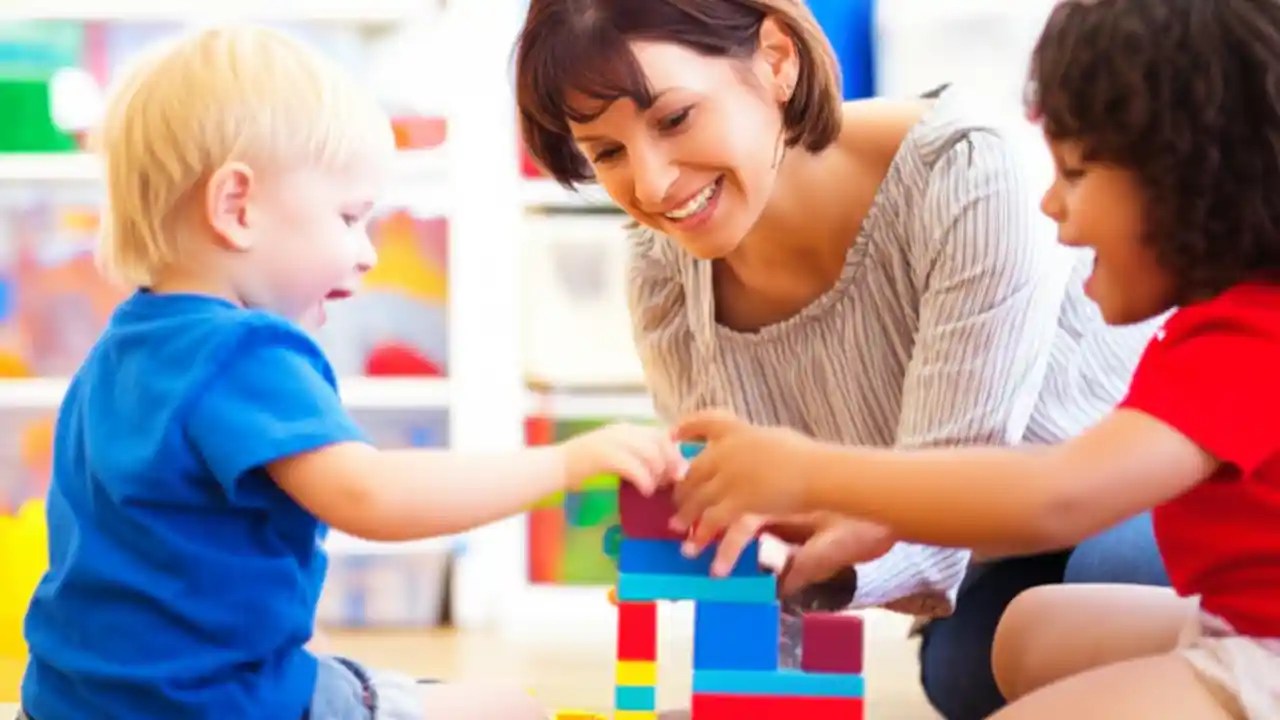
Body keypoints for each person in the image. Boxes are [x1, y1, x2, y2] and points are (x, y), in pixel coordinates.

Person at [512, 1, 1168, 717]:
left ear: (776, 60)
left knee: (1115, 577)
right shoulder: (664, 268)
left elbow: (950, 485)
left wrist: (798, 558)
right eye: (607, 152)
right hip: (1005, 554)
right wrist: (746, 691)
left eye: (674, 119)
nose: (652, 184)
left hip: (1154, 499)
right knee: (967, 671)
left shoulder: (973, 172)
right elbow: (744, 525)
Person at [16, 25, 685, 720]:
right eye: (349, 217)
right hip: (216, 707)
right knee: (511, 706)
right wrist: (567, 462)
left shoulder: (117, 354)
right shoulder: (244, 352)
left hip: (74, 702)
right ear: (235, 206)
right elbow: (371, 496)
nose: (367, 255)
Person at [669, 0, 1280, 717]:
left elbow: (1057, 496)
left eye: (1077, 175)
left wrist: (808, 469)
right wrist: (868, 512)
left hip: (1265, 653)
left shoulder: (1250, 340)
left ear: (1196, 179)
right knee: (1025, 633)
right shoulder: (1222, 323)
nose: (1051, 204)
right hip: (1238, 616)